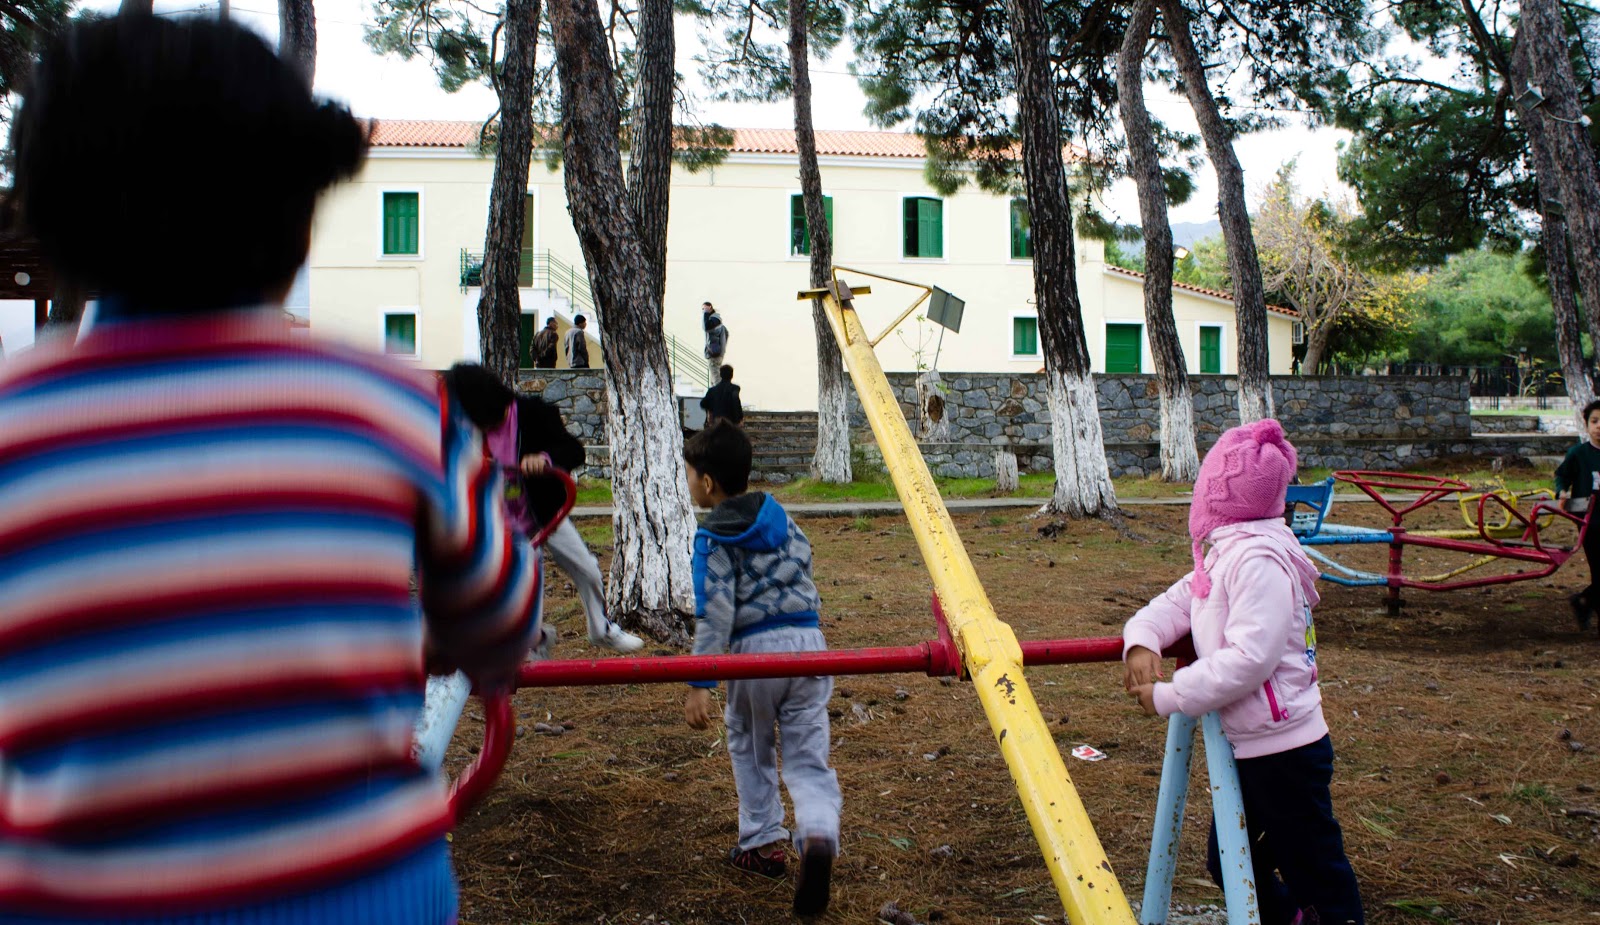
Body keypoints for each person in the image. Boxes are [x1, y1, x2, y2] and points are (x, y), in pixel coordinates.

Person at [0, 14, 541, 923]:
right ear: (295, 225)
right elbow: (502, 618)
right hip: (364, 898)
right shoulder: (385, 407)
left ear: (55, 225)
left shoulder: (16, 432)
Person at [1122, 419, 1364, 925]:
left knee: (1315, 870)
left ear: (1217, 493)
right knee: (1230, 861)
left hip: (1288, 750)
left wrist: (1172, 694)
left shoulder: (1259, 560)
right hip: (1255, 747)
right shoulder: (1226, 553)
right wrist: (1141, 639)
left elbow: (1251, 659)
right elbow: (1180, 600)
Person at [682, 422, 841, 917]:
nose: (687, 483)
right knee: (807, 753)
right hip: (809, 645)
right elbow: (806, 563)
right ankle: (816, 832)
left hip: (756, 653)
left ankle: (762, 843)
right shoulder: (783, 519)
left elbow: (715, 612)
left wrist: (701, 681)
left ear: (708, 482)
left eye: (688, 475)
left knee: (750, 742)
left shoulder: (713, 536)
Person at [444, 362, 645, 653]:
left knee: (587, 568)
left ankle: (601, 629)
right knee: (518, 585)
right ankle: (535, 639)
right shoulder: (468, 430)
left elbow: (574, 451)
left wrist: (545, 458)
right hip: (502, 524)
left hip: (545, 514)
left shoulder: (533, 413)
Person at [1555, 398, 1600, 633]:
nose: (1599, 426)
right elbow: (1562, 476)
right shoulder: (1579, 454)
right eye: (1595, 421)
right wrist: (1561, 491)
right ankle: (1585, 603)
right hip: (1589, 521)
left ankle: (1584, 601)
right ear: (1586, 425)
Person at [702, 300, 728, 383]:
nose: (703, 311)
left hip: (714, 354)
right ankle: (715, 394)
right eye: (702, 309)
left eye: (704, 308)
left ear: (710, 307)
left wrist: (706, 313)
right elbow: (726, 334)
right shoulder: (720, 325)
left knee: (716, 377)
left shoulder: (715, 320)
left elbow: (706, 327)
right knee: (714, 378)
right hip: (718, 353)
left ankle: (719, 395)